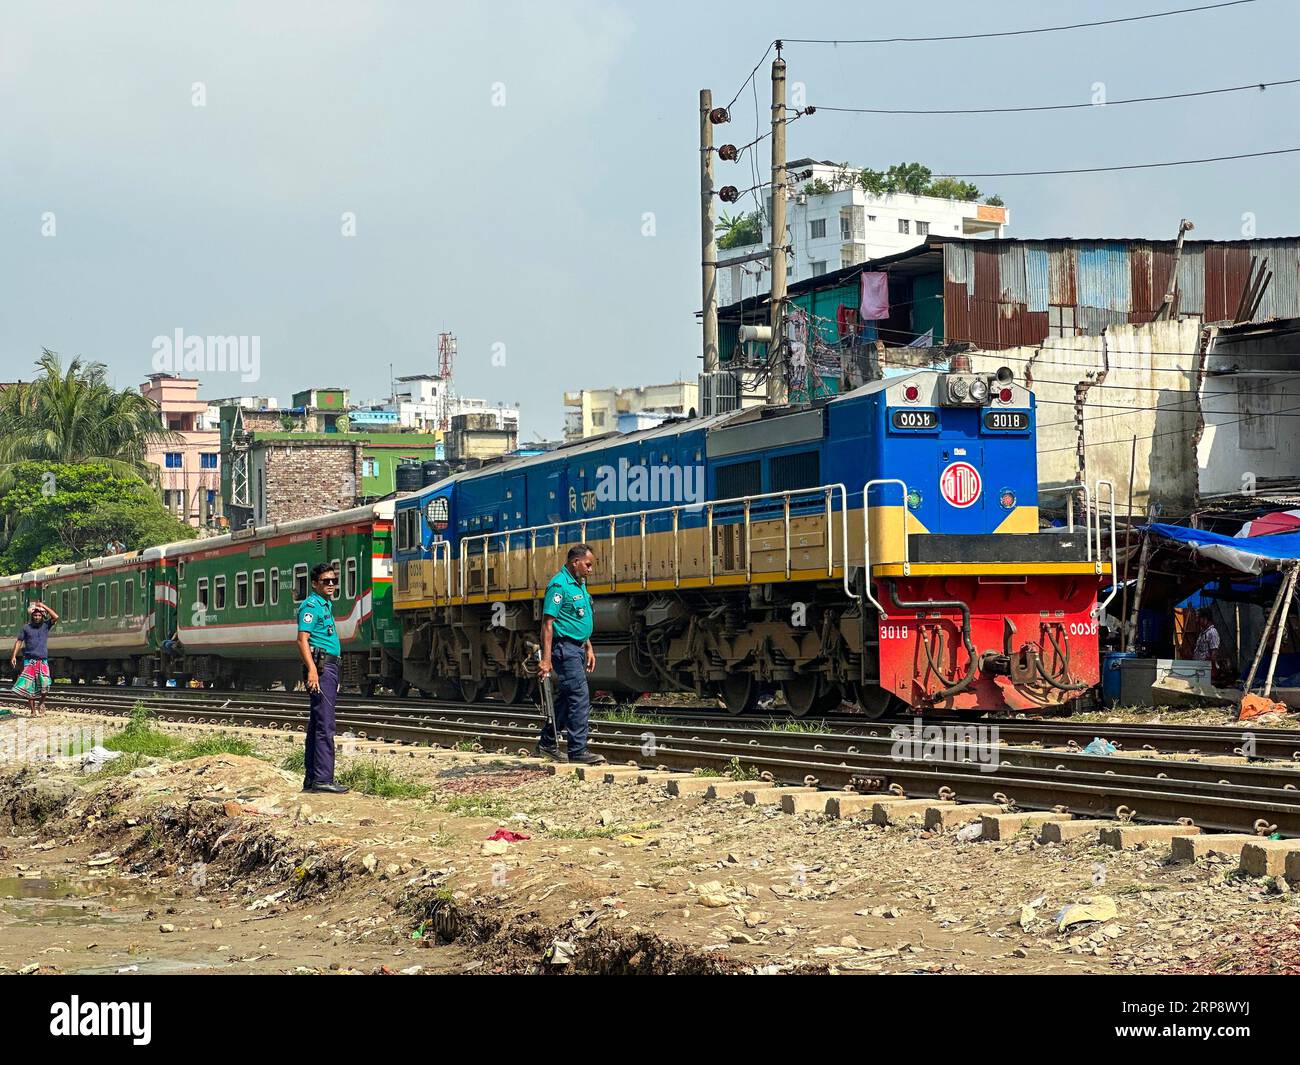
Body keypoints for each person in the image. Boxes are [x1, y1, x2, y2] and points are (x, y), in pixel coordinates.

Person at [535, 544, 605, 765]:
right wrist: (546, 660)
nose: (590, 569)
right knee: (580, 696)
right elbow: (548, 624)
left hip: (577, 647)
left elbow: (579, 619)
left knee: (567, 699)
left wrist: (588, 646)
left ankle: (547, 742)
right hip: (564, 649)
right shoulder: (559, 585)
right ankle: (578, 750)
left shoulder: (579, 584)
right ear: (576, 562)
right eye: (588, 564)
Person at [296, 563, 348, 793]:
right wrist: (313, 670)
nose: (330, 585)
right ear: (315, 583)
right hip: (321, 667)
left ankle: (312, 778)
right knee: (325, 724)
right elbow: (302, 639)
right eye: (326, 581)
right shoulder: (311, 606)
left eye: (333, 581)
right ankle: (323, 779)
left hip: (328, 667)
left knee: (317, 722)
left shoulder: (325, 605)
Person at [11, 600, 59, 716]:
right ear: (32, 616)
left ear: (42, 616)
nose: (37, 617)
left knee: (45, 684)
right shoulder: (26, 628)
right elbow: (19, 641)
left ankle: (41, 703)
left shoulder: (46, 626)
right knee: (30, 687)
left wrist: (43, 606)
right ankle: (32, 711)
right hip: (29, 661)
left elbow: (56, 617)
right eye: (35, 615)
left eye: (39, 615)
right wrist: (13, 656)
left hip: (42, 660)